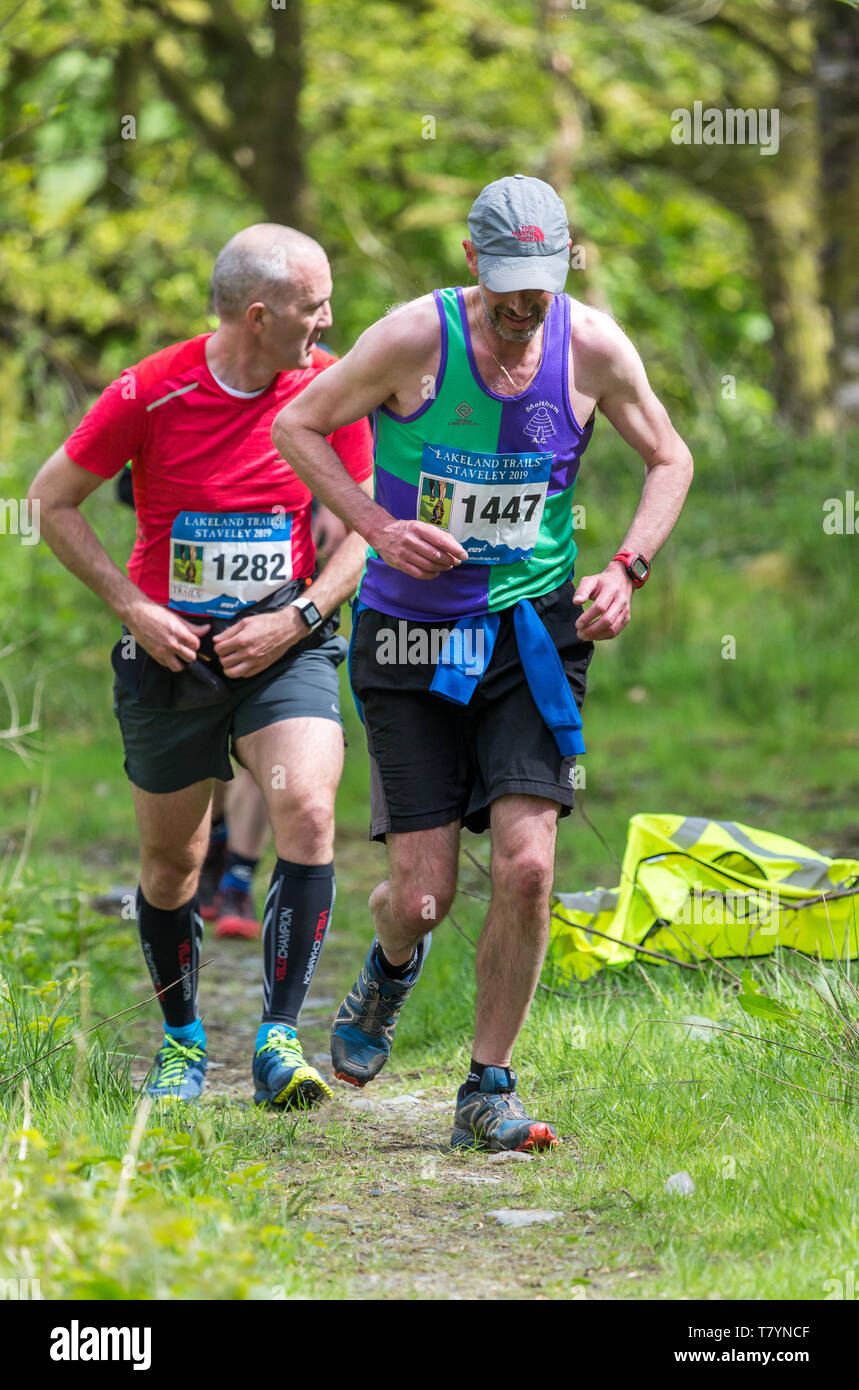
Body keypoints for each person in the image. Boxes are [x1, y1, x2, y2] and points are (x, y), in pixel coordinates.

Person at [271, 175, 694, 1151]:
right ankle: (387, 964)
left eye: (536, 293)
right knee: (423, 894)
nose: (519, 312)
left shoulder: (591, 345)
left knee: (530, 863)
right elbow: (296, 425)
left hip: (530, 633)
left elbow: (667, 456)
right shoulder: (413, 338)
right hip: (411, 632)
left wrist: (627, 568)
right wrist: (377, 525)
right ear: (471, 263)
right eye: (504, 292)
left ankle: (487, 1086)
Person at [28, 224, 374, 1106]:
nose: (329, 316)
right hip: (169, 656)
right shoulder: (150, 389)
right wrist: (134, 608)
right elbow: (49, 502)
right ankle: (182, 1041)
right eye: (314, 303)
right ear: (259, 315)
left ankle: (277, 1040)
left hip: (283, 647)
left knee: (305, 804)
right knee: (171, 868)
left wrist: (299, 615)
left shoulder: (331, 389)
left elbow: (364, 535)